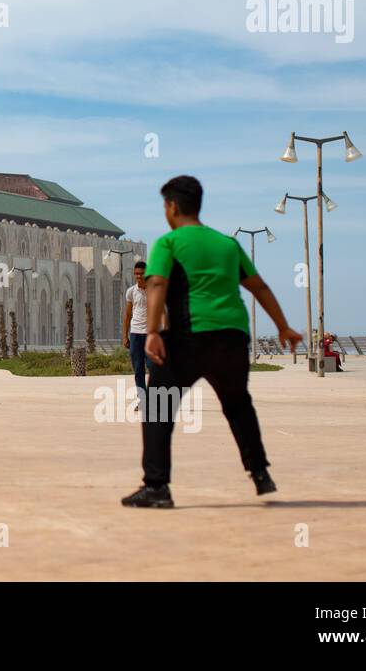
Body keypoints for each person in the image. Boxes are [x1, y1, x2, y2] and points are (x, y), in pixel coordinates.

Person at [122, 175, 302, 509]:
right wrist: (284, 327)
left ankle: (157, 487)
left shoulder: (169, 243)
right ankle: (261, 474)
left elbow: (158, 283)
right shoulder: (227, 244)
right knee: (237, 405)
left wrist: (152, 334)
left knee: (159, 405)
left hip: (189, 337)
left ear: (172, 206)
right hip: (233, 337)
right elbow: (259, 287)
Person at [122, 260, 151, 414]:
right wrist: (124, 336)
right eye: (137, 274)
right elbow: (127, 315)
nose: (139, 276)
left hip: (151, 334)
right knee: (138, 368)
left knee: (152, 367)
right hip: (135, 334)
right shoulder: (131, 292)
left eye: (142, 273)